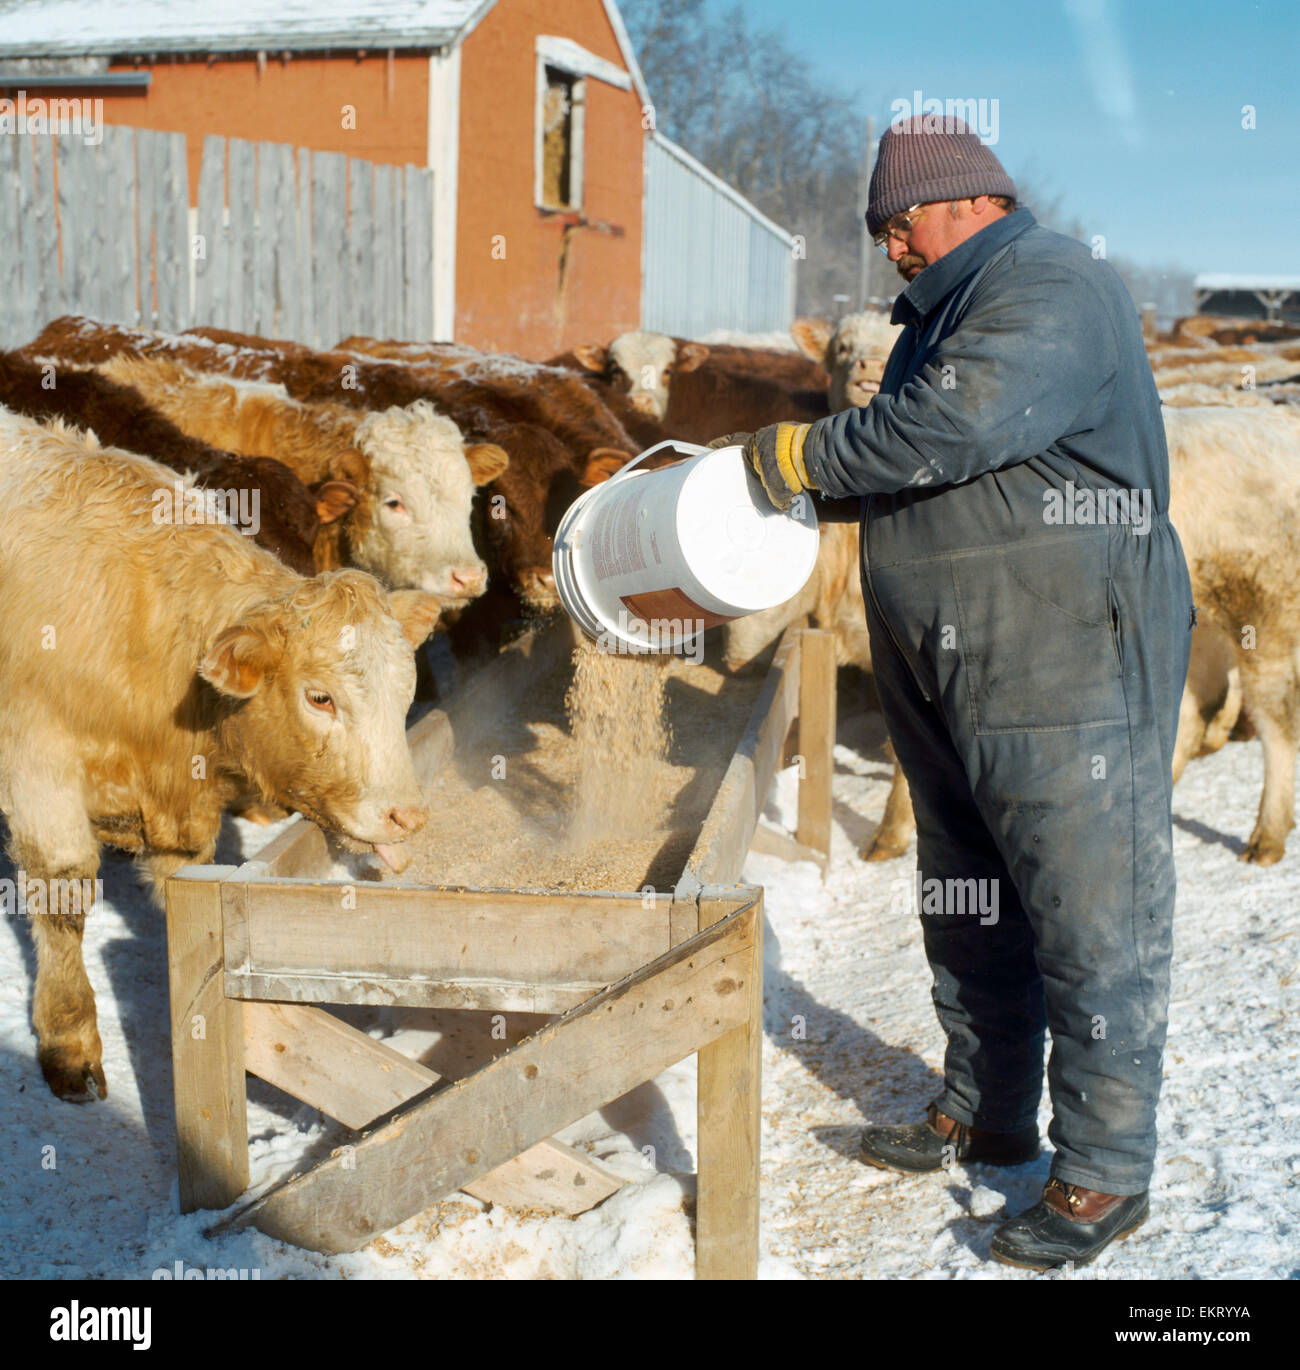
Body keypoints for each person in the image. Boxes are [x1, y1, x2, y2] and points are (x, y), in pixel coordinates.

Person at [719, 115, 1193, 1269]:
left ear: (970, 198)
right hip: (951, 656)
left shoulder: (1053, 283)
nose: (888, 244)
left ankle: (1100, 1170)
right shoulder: (943, 310)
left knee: (1089, 911)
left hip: (1060, 653)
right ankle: (985, 1108)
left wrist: (796, 458)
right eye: (877, 227)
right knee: (971, 899)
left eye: (900, 219)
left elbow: (951, 427)